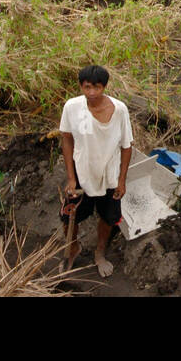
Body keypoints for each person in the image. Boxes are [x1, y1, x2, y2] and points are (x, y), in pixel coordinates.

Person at [59, 64, 133, 277]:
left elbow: (126, 147)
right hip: (82, 173)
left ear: (104, 87)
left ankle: (100, 253)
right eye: (87, 87)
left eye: (97, 88)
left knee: (108, 218)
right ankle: (73, 248)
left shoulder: (119, 110)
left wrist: (121, 180)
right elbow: (67, 139)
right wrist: (71, 178)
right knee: (69, 217)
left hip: (109, 175)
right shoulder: (72, 107)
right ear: (81, 86)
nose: (92, 93)